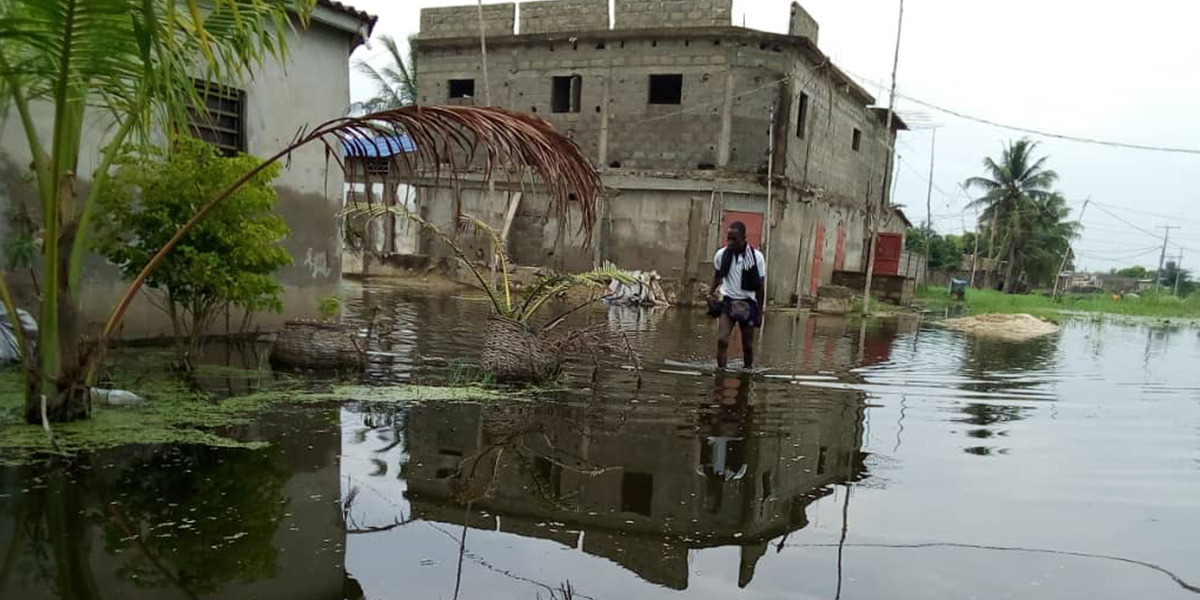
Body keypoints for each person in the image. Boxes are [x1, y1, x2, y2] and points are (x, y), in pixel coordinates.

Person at [708, 221, 766, 369]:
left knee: (747, 346)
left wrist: (759, 312)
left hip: (748, 304)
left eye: (734, 239)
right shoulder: (722, 255)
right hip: (728, 303)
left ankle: (747, 372)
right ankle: (721, 372)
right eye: (729, 238)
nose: (730, 242)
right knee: (722, 340)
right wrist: (709, 294)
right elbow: (717, 276)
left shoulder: (756, 258)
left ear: (743, 238)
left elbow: (760, 288)